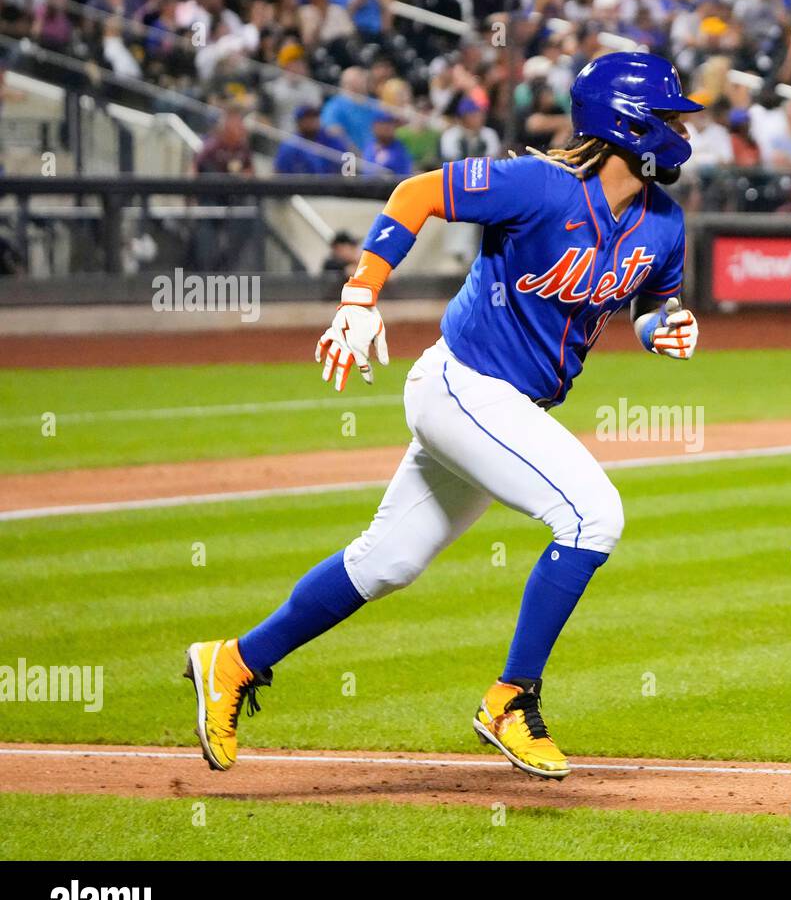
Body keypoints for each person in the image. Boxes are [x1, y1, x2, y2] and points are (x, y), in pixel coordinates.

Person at [183, 52, 703, 781]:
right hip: (463, 384)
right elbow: (416, 192)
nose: (685, 128)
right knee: (592, 515)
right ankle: (511, 700)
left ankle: (234, 661)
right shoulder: (540, 186)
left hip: (505, 406)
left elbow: (655, 306)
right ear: (631, 124)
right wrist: (360, 296)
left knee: (385, 561)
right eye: (675, 115)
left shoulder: (664, 222)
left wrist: (663, 331)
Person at [272, 105, 349, 174]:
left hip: (332, 186)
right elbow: (279, 171)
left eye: (315, 117)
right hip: (301, 187)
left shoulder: (330, 139)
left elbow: (348, 163)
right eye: (307, 117)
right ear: (299, 122)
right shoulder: (291, 145)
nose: (312, 121)